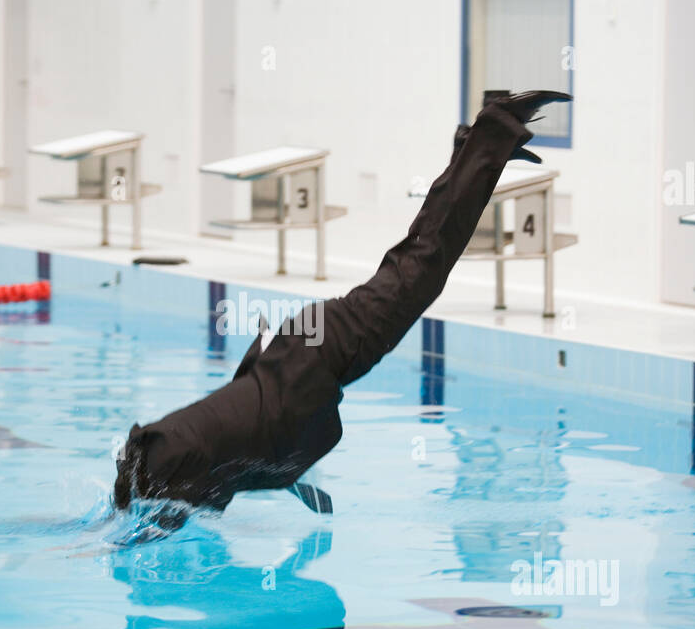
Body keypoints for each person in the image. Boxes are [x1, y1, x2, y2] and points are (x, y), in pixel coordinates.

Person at [114, 91, 571, 530]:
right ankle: (477, 149)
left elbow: (211, 485)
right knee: (420, 260)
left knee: (423, 263)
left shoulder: (184, 460)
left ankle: (491, 134)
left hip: (314, 350)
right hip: (303, 345)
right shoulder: (196, 451)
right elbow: (251, 457)